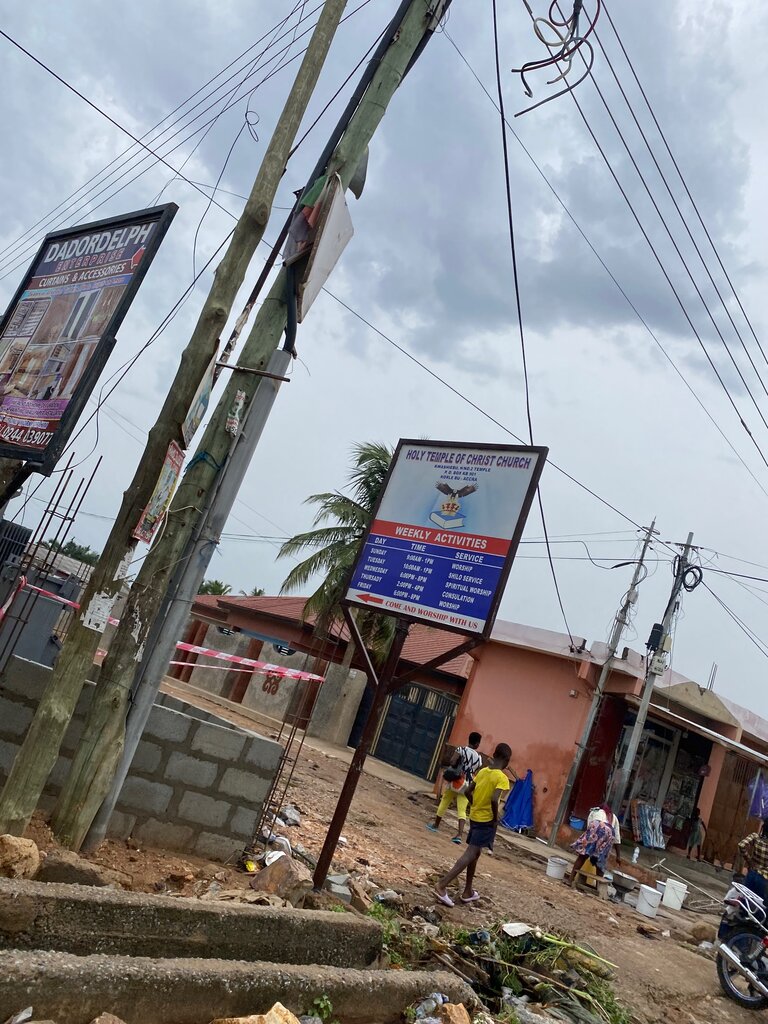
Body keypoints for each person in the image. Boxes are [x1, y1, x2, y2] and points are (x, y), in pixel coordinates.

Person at [433, 742, 512, 907]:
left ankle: (468, 891)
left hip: (475, 817)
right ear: (507, 760)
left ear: (494, 755)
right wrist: (495, 817)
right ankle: (442, 885)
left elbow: (468, 791)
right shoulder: (502, 778)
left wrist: (474, 804)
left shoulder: (483, 771)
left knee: (475, 853)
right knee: (471, 853)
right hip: (486, 820)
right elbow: (494, 799)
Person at [427, 732, 483, 844]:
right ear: (477, 744)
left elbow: (452, 762)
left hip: (456, 781)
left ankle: (436, 825)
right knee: (462, 809)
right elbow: (476, 769)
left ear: (469, 740)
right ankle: (459, 835)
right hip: (467, 784)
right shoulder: (479, 758)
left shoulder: (461, 750)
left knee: (445, 801)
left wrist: (458, 764)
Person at [566, 803, 619, 884]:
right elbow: (617, 838)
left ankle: (570, 880)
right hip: (609, 833)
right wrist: (618, 856)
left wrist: (589, 849)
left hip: (596, 827)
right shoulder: (614, 817)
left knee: (582, 856)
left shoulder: (595, 811)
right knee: (600, 861)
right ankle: (598, 887)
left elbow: (590, 828)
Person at [738, 819, 768, 901]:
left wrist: (749, 860)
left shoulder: (755, 836)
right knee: (758, 903)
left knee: (745, 899)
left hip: (752, 873)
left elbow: (741, 845)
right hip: (765, 880)